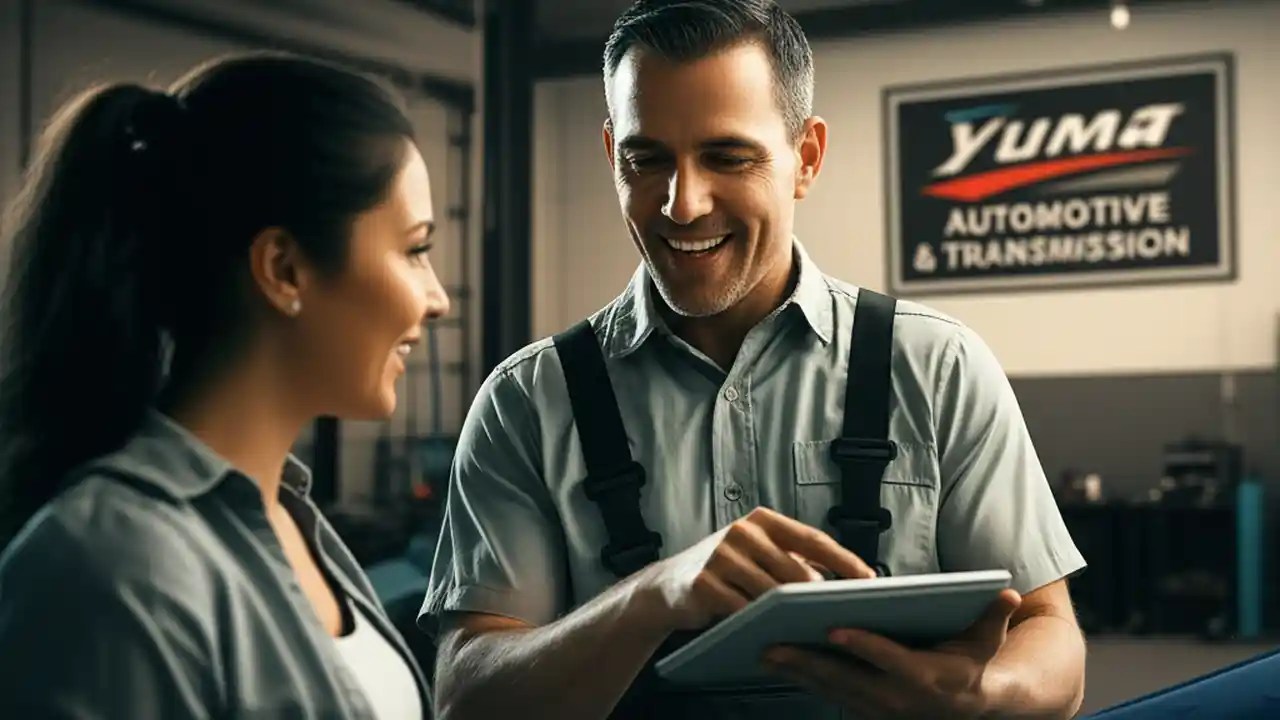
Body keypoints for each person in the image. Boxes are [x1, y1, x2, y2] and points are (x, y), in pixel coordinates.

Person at [422, 1, 1086, 718]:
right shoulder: (525, 404)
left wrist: (983, 696)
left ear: (807, 158)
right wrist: (650, 596)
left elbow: (1049, 636)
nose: (682, 204)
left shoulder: (938, 369)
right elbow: (466, 698)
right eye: (648, 160)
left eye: (727, 157)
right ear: (613, 155)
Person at [0, 51, 449, 719]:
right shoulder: (114, 565)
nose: (437, 299)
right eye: (414, 250)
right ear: (283, 269)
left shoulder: (286, 512)